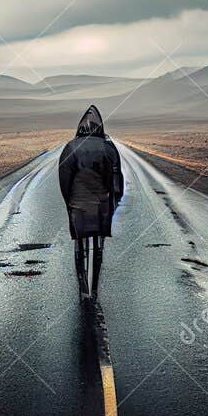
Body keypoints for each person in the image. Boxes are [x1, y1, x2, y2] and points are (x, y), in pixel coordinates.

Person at [57, 105, 123, 300]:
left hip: (78, 205)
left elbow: (64, 180)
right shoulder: (109, 147)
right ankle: (94, 286)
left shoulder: (70, 147)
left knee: (79, 242)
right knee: (99, 244)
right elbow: (116, 180)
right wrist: (115, 201)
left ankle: (83, 285)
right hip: (102, 205)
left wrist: (68, 202)